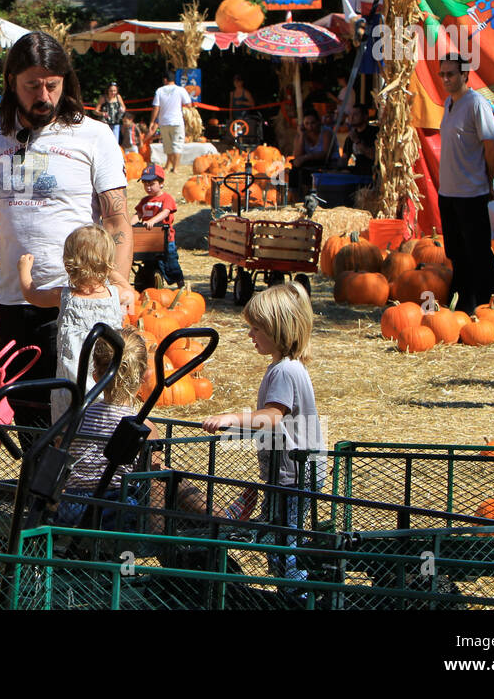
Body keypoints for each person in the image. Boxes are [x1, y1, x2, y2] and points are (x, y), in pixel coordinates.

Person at [0, 32, 133, 429]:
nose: (44, 95)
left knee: (80, 419)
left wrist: (120, 287)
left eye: (52, 85)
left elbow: (116, 220)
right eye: (33, 86)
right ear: (12, 82)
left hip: (78, 301)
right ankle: (39, 492)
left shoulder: (93, 136)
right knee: (25, 416)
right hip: (14, 300)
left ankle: (70, 492)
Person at [202, 282, 325, 585]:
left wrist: (231, 418)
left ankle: (299, 595)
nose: (250, 335)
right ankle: (294, 587)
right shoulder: (287, 367)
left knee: (283, 545)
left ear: (278, 330)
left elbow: (271, 418)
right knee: (281, 536)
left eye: (256, 329)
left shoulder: (284, 371)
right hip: (294, 470)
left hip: (293, 474)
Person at [54, 327, 206, 528]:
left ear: (96, 375)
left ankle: (216, 516)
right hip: (117, 509)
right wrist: (156, 524)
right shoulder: (144, 427)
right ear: (143, 378)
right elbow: (153, 481)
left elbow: (57, 458)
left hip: (73, 508)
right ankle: (214, 518)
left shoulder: (76, 417)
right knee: (162, 473)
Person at [17, 224, 122, 420]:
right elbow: (126, 287)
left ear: (68, 263)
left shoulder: (63, 296)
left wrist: (24, 270)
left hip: (70, 391)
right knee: (102, 434)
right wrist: (109, 269)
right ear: (108, 262)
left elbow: (31, 294)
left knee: (64, 437)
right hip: (107, 388)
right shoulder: (116, 295)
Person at [437, 52, 494, 312]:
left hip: (471, 192)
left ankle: (488, 304)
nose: (446, 79)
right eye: (442, 74)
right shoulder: (449, 104)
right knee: (456, 253)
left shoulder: (477, 104)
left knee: (478, 253)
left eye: (451, 74)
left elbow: (491, 146)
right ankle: (462, 303)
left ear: (465, 75)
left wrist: (488, 181)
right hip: (448, 192)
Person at [134, 165, 185, 288]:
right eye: (145, 184)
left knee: (170, 261)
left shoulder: (166, 198)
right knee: (148, 262)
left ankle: (180, 284)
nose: (148, 187)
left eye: (152, 184)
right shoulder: (145, 201)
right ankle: (148, 284)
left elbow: (166, 212)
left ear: (161, 183)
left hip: (165, 239)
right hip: (148, 239)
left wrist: (152, 221)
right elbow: (138, 214)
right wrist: (130, 224)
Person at [146, 71, 194, 174]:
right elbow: (189, 104)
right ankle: (175, 168)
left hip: (164, 121)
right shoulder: (180, 90)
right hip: (177, 121)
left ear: (165, 80)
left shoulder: (159, 91)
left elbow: (156, 107)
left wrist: (152, 121)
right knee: (177, 145)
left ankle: (168, 166)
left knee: (167, 145)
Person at [288, 111, 336, 201]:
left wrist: (305, 157)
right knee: (294, 170)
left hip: (325, 162)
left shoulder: (326, 133)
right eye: (307, 123)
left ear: (318, 122)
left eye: (313, 123)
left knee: (308, 171)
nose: (310, 126)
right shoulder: (301, 135)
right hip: (308, 163)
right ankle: (294, 197)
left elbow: (325, 154)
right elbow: (297, 155)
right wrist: (302, 135)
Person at [340, 106, 377, 176]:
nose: (351, 117)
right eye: (350, 115)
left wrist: (357, 141)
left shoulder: (374, 133)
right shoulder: (351, 136)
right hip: (356, 172)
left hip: (371, 173)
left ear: (365, 116)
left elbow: (373, 155)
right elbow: (345, 157)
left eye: (355, 114)